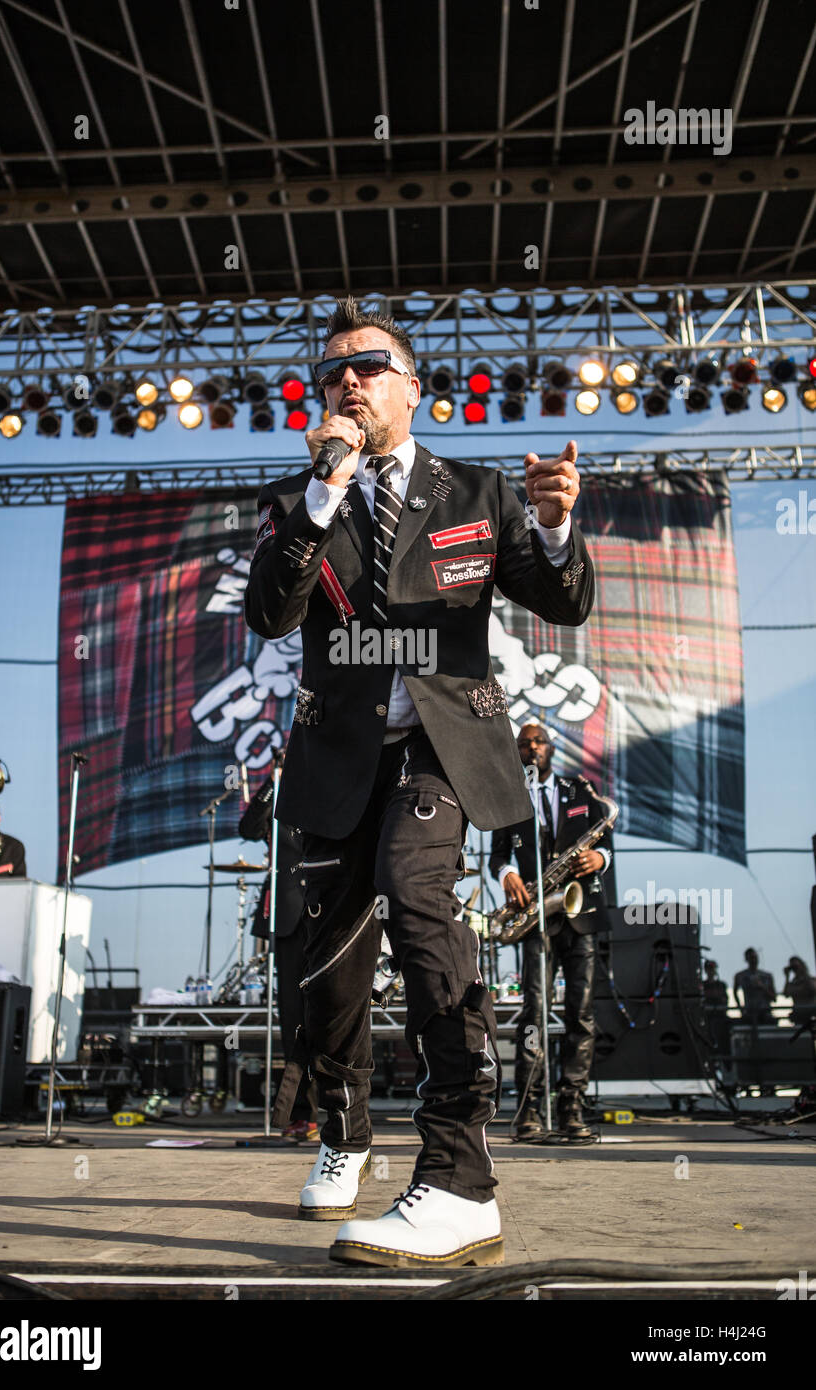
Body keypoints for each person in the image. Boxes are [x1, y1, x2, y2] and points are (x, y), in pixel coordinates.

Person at [244, 295, 594, 1267]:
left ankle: (457, 1174)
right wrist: (322, 493)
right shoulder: (293, 498)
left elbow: (559, 599)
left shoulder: (477, 493)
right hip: (335, 753)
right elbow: (270, 616)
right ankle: (346, 1133)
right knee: (329, 968)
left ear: (412, 387)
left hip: (439, 745)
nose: (345, 382)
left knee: (418, 890)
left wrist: (556, 529)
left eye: (365, 366)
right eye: (330, 374)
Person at [490, 723, 613, 1142]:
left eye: (538, 742)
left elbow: (607, 836)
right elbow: (498, 856)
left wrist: (600, 857)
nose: (531, 748)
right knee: (534, 1014)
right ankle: (529, 1110)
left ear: (551, 748)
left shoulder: (581, 791)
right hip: (537, 916)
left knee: (580, 1014)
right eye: (524, 743)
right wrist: (507, 874)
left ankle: (571, 1109)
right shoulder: (509, 794)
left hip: (581, 912)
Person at [238, 773, 319, 1142]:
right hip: (287, 917)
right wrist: (274, 781)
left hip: (327, 910)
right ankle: (301, 1113)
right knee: (293, 1019)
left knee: (331, 1015)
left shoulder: (334, 779)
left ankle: (338, 1109)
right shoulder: (279, 791)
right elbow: (249, 829)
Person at [733, 948, 776, 1025]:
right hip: (749, 1012)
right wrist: (741, 1008)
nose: (753, 960)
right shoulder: (740, 976)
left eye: (755, 957)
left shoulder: (767, 976)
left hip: (765, 1012)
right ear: (746, 959)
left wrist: (762, 987)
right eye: (751, 958)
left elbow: (774, 997)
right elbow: (735, 992)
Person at [784, 956, 816, 1025]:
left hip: (811, 1013)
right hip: (798, 1014)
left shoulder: (811, 980)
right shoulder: (792, 983)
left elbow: (813, 990)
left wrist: (805, 974)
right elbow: (786, 994)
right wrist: (787, 977)